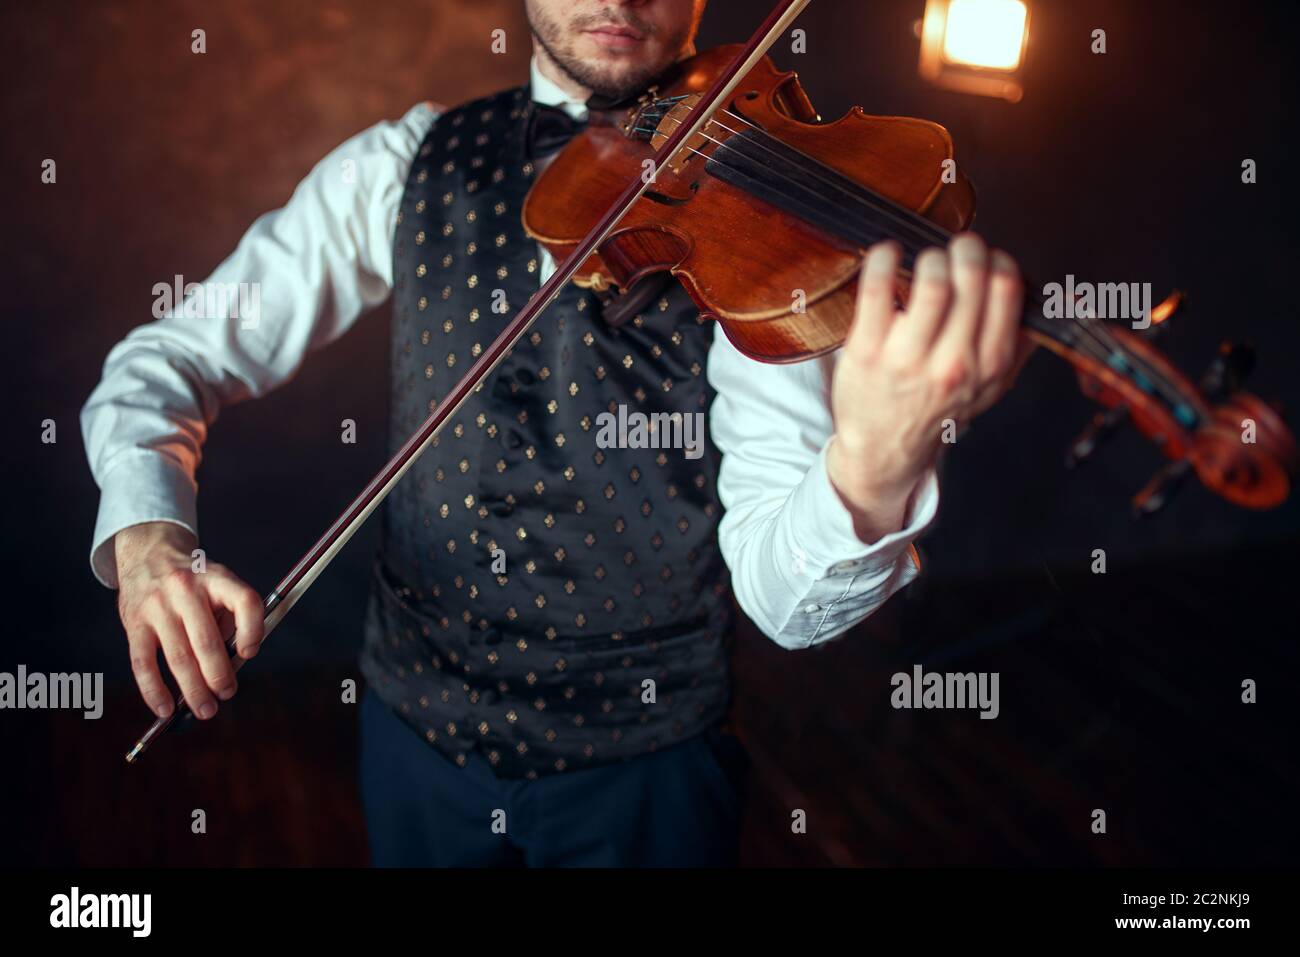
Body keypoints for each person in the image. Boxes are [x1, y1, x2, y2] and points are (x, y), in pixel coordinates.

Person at [81, 0, 1025, 866]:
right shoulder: (403, 165)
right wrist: (152, 542)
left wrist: (871, 469)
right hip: (414, 738)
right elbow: (168, 359)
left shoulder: (771, 229)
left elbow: (785, 601)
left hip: (646, 773)